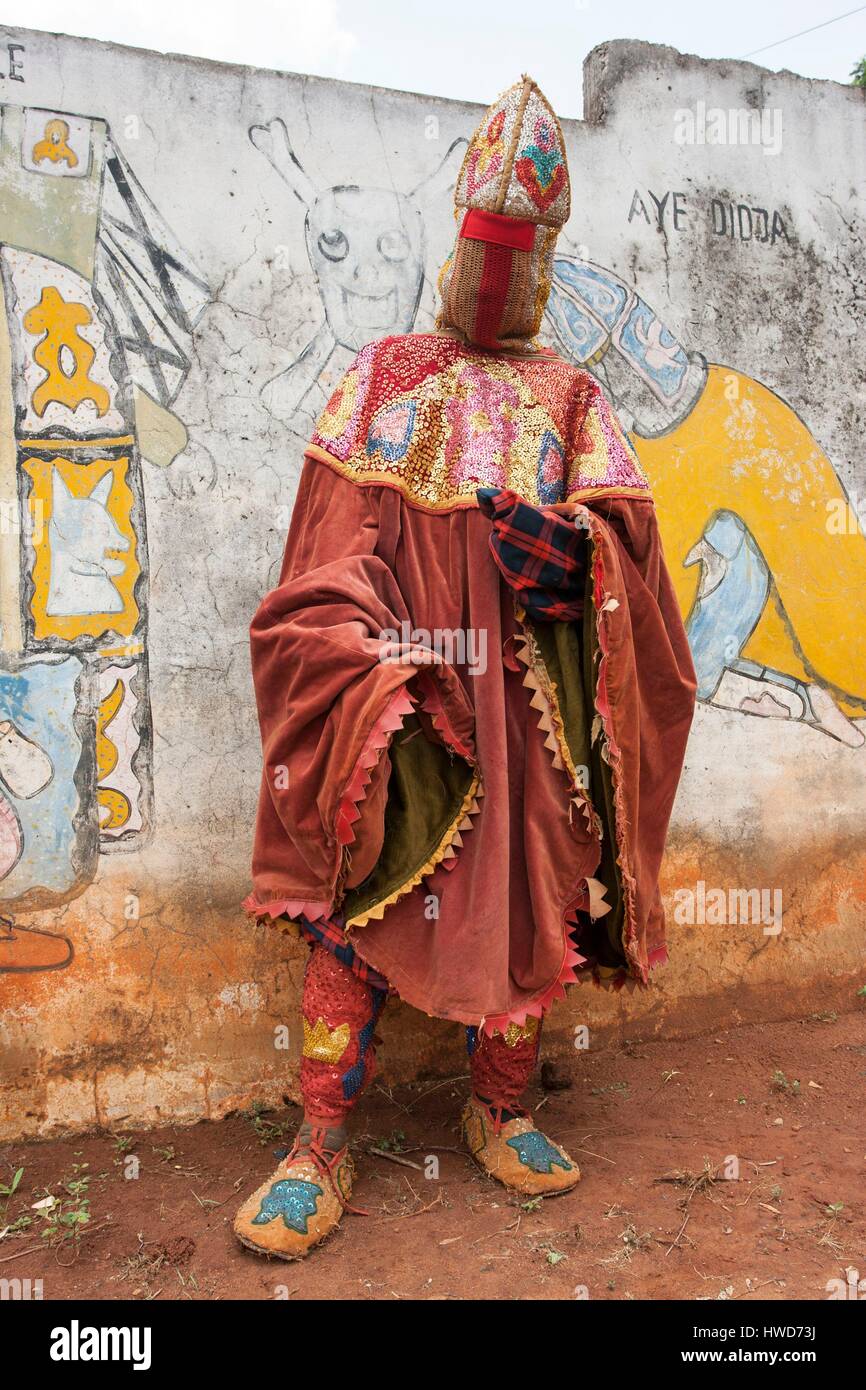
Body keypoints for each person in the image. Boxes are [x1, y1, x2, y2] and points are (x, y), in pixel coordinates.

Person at [234, 76, 696, 1260]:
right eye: (482, 250)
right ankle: (320, 1142)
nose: (496, 279)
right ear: (456, 245)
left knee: (530, 898)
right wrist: (372, 659)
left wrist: (572, 551)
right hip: (408, 691)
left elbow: (632, 572)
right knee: (359, 896)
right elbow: (322, 549)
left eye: (518, 255)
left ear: (543, 261)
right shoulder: (382, 376)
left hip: (529, 708)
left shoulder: (572, 399)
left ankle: (498, 1106)